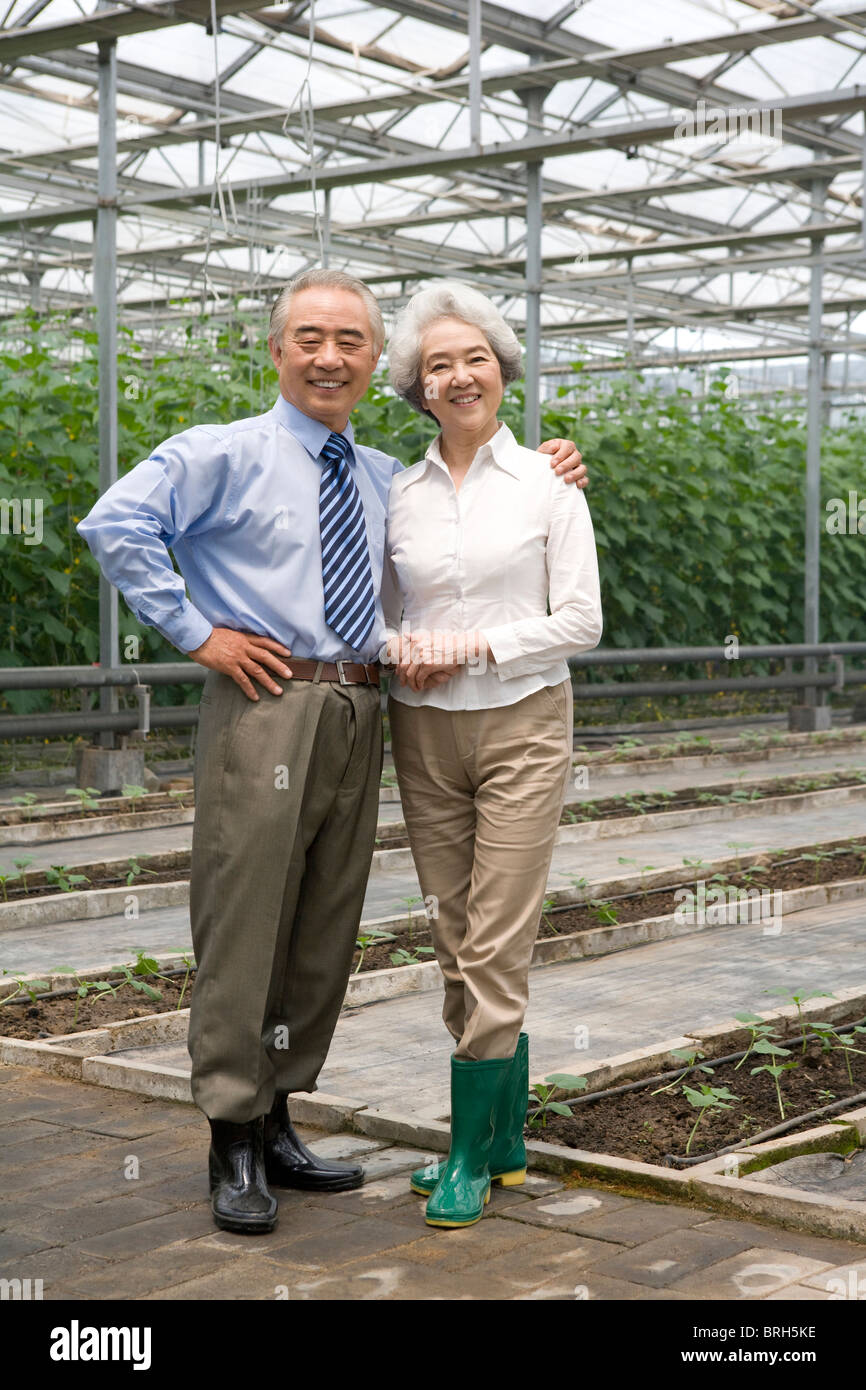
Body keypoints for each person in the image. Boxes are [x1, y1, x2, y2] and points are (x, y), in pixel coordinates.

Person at [76, 268, 588, 1236]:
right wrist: (196, 632)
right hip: (269, 697)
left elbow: (471, 508)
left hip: (363, 703)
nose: (328, 355)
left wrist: (547, 461)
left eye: (349, 340)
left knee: (320, 923)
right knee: (244, 915)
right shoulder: (220, 453)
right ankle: (230, 1131)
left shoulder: (379, 476)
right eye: (309, 336)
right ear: (277, 352)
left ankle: (278, 1119)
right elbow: (117, 523)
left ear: (369, 365)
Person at [381, 281, 603, 1229]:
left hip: (522, 718)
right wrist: (405, 653)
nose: (459, 374)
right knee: (450, 933)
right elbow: (379, 617)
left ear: (503, 371)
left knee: (493, 938)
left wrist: (473, 647)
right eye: (439, 363)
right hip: (421, 728)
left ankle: (466, 1153)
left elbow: (582, 621)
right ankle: (505, 1143)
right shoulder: (396, 491)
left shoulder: (550, 483)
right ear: (418, 387)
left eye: (475, 357)